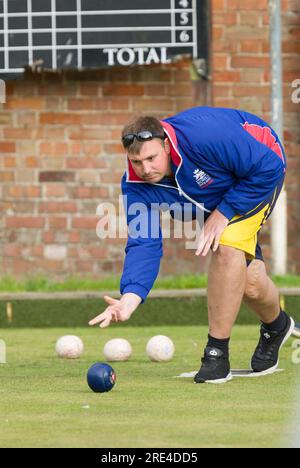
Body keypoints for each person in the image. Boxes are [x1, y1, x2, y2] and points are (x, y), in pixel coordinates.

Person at [89, 107, 295, 384]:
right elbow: (143, 242)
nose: (146, 169)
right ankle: (277, 326)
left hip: (259, 170)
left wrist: (223, 213)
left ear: (165, 145)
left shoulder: (204, 137)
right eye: (136, 161)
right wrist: (130, 297)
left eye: (151, 158)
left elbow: (266, 166)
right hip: (215, 191)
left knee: (226, 245)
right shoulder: (136, 185)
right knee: (250, 284)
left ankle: (216, 354)